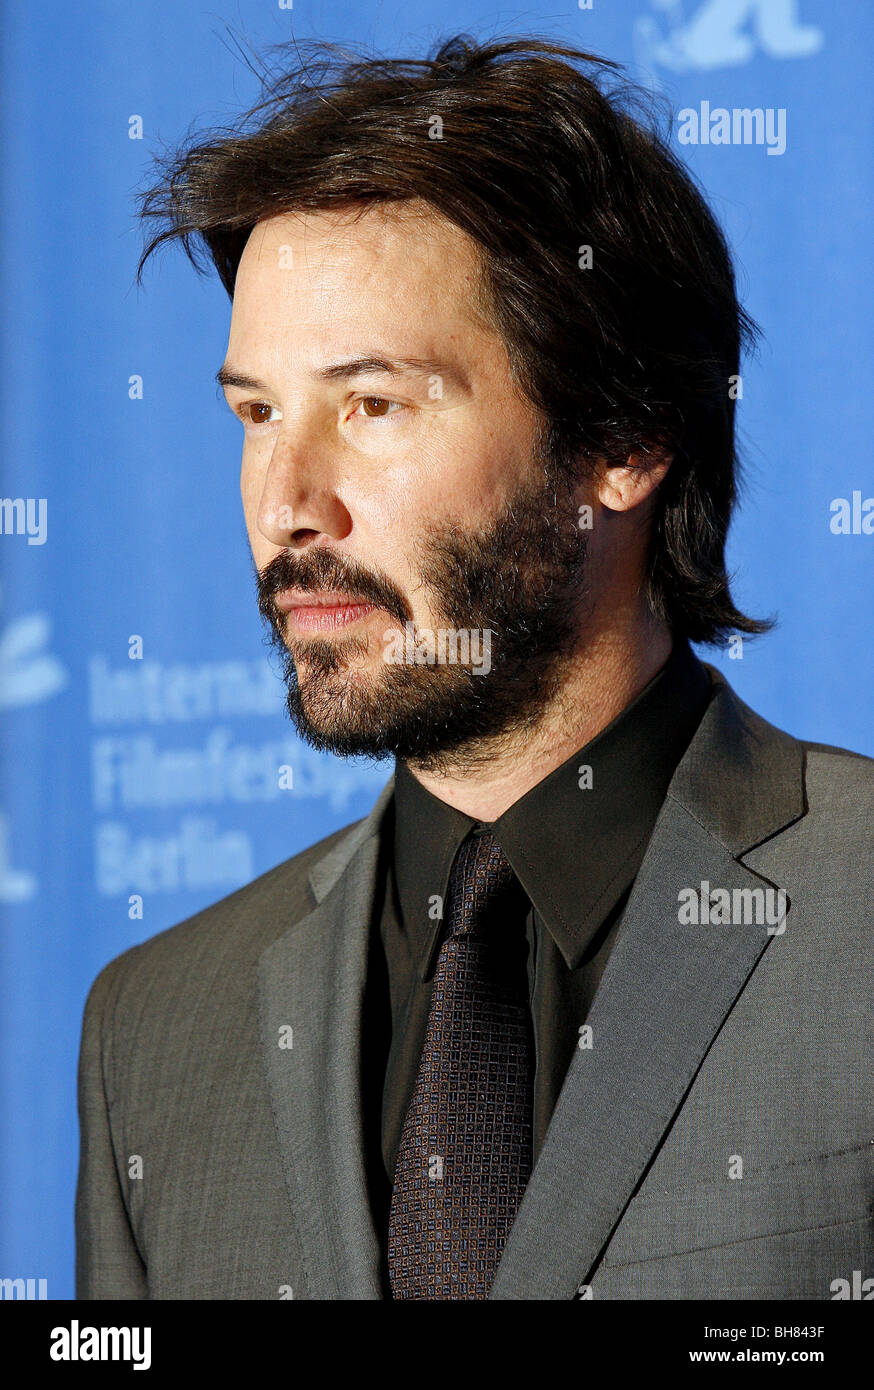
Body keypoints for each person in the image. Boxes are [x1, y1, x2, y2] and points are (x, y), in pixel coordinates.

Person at [75, 34, 873, 1300]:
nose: (289, 505)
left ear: (619, 438)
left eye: (372, 404)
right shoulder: (157, 1028)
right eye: (258, 412)